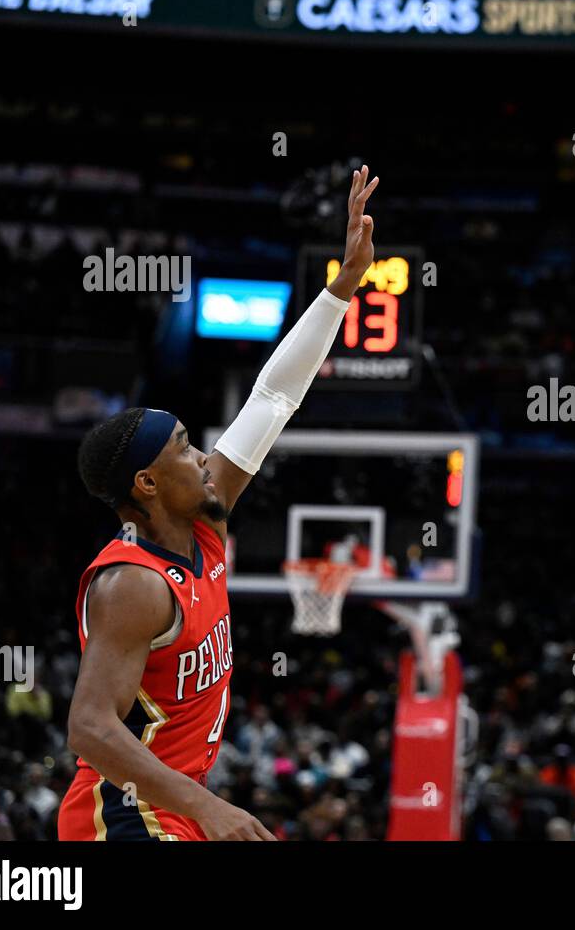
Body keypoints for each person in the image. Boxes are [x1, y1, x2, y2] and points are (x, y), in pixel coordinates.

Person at [57, 165, 382, 840]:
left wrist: (341, 289)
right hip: (121, 820)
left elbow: (272, 398)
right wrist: (207, 807)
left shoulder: (202, 519)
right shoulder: (132, 585)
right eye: (182, 447)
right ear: (146, 483)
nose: (204, 455)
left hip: (171, 812)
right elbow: (88, 727)